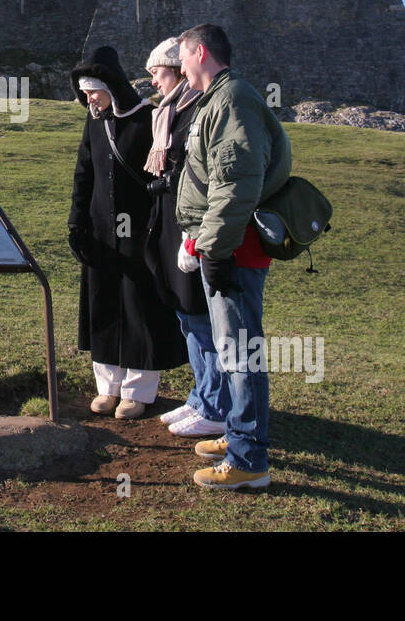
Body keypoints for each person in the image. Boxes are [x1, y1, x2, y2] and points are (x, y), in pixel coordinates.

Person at [174, 24, 291, 490]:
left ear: (200, 52)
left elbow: (237, 183)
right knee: (232, 350)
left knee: (242, 354)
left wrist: (216, 249)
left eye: (183, 57)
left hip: (235, 248)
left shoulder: (232, 101)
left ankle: (248, 462)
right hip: (227, 245)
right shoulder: (222, 99)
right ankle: (238, 432)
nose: (181, 67)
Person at [68, 46, 186, 419]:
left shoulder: (149, 118)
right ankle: (108, 386)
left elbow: (165, 174)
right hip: (102, 230)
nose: (89, 99)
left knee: (140, 306)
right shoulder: (94, 122)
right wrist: (77, 222)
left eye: (94, 92)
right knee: (103, 302)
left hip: (141, 231)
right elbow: (83, 173)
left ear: (113, 88)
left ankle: (137, 390)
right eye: (85, 94)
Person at [140, 38, 228, 439]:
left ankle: (216, 404)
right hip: (173, 223)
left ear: (176, 70)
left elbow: (206, 170)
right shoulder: (171, 111)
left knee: (200, 316)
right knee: (187, 316)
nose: (153, 82)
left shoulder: (195, 111)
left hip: (192, 229)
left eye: (157, 74)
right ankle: (201, 396)